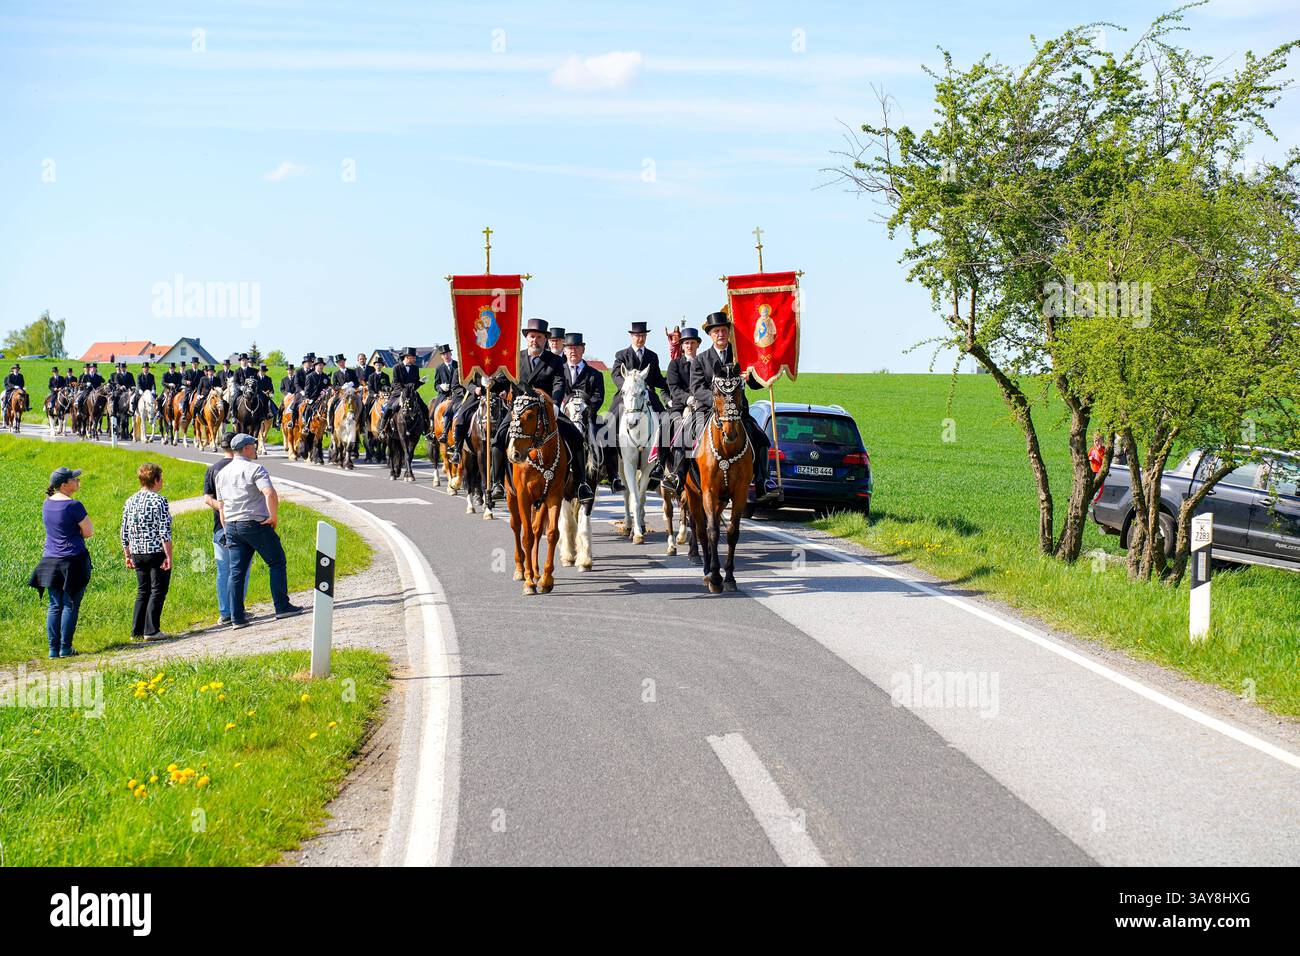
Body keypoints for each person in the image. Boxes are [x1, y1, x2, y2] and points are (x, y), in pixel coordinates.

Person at [662, 311, 777, 502]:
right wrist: (719, 403)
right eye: (716, 331)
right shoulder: (701, 359)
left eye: (723, 330)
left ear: (728, 332)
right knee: (685, 434)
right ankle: (678, 476)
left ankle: (763, 482)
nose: (720, 334)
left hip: (739, 413)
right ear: (710, 335)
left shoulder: (741, 356)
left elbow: (757, 383)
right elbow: (697, 388)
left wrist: (757, 376)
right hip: (708, 410)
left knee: (761, 438)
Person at [488, 318, 593, 504]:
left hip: (546, 409)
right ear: (526, 338)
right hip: (520, 411)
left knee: (576, 437)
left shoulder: (554, 361)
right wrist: (491, 383)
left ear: (545, 340)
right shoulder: (515, 358)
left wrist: (556, 402)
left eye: (538, 337)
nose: (534, 340)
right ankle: (497, 483)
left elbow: (560, 382)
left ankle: (580, 483)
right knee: (498, 439)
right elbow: (502, 381)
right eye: (531, 336)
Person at [215, 433, 304, 628]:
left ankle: (237, 617)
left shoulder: (222, 473)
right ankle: (282, 606)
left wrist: (226, 526)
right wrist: (273, 516)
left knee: (236, 572)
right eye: (253, 446)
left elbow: (221, 505)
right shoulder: (255, 469)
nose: (255, 449)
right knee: (277, 561)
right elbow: (269, 492)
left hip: (231, 524)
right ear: (245, 448)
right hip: (254, 523)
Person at [28, 467, 93, 658]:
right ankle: (65, 648)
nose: (78, 481)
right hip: (72, 561)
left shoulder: (46, 503)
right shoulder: (74, 506)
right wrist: (76, 533)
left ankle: (52, 649)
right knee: (70, 604)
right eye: (74, 479)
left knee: (55, 605)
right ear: (64, 485)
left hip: (50, 561)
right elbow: (88, 532)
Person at [120, 462, 174, 641]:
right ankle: (151, 630)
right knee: (158, 589)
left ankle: (136, 630)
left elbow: (124, 530)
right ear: (156, 480)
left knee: (143, 590)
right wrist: (169, 555)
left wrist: (127, 554)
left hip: (137, 551)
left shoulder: (130, 500)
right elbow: (164, 531)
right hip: (155, 550)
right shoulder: (160, 501)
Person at [203, 432, 249, 624]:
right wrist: (224, 506)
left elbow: (207, 498)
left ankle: (225, 612)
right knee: (241, 570)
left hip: (219, 527)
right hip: (241, 523)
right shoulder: (244, 467)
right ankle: (237, 609)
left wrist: (219, 506)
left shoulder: (212, 469)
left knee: (224, 571)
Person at [663, 326, 701, 479]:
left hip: (701, 405)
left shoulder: (704, 361)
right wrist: (688, 398)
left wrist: (700, 398)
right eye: (686, 343)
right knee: (671, 427)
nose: (689, 346)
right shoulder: (675, 365)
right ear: (682, 346)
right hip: (680, 405)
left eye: (692, 343)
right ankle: (669, 469)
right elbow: (673, 387)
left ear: (698, 344)